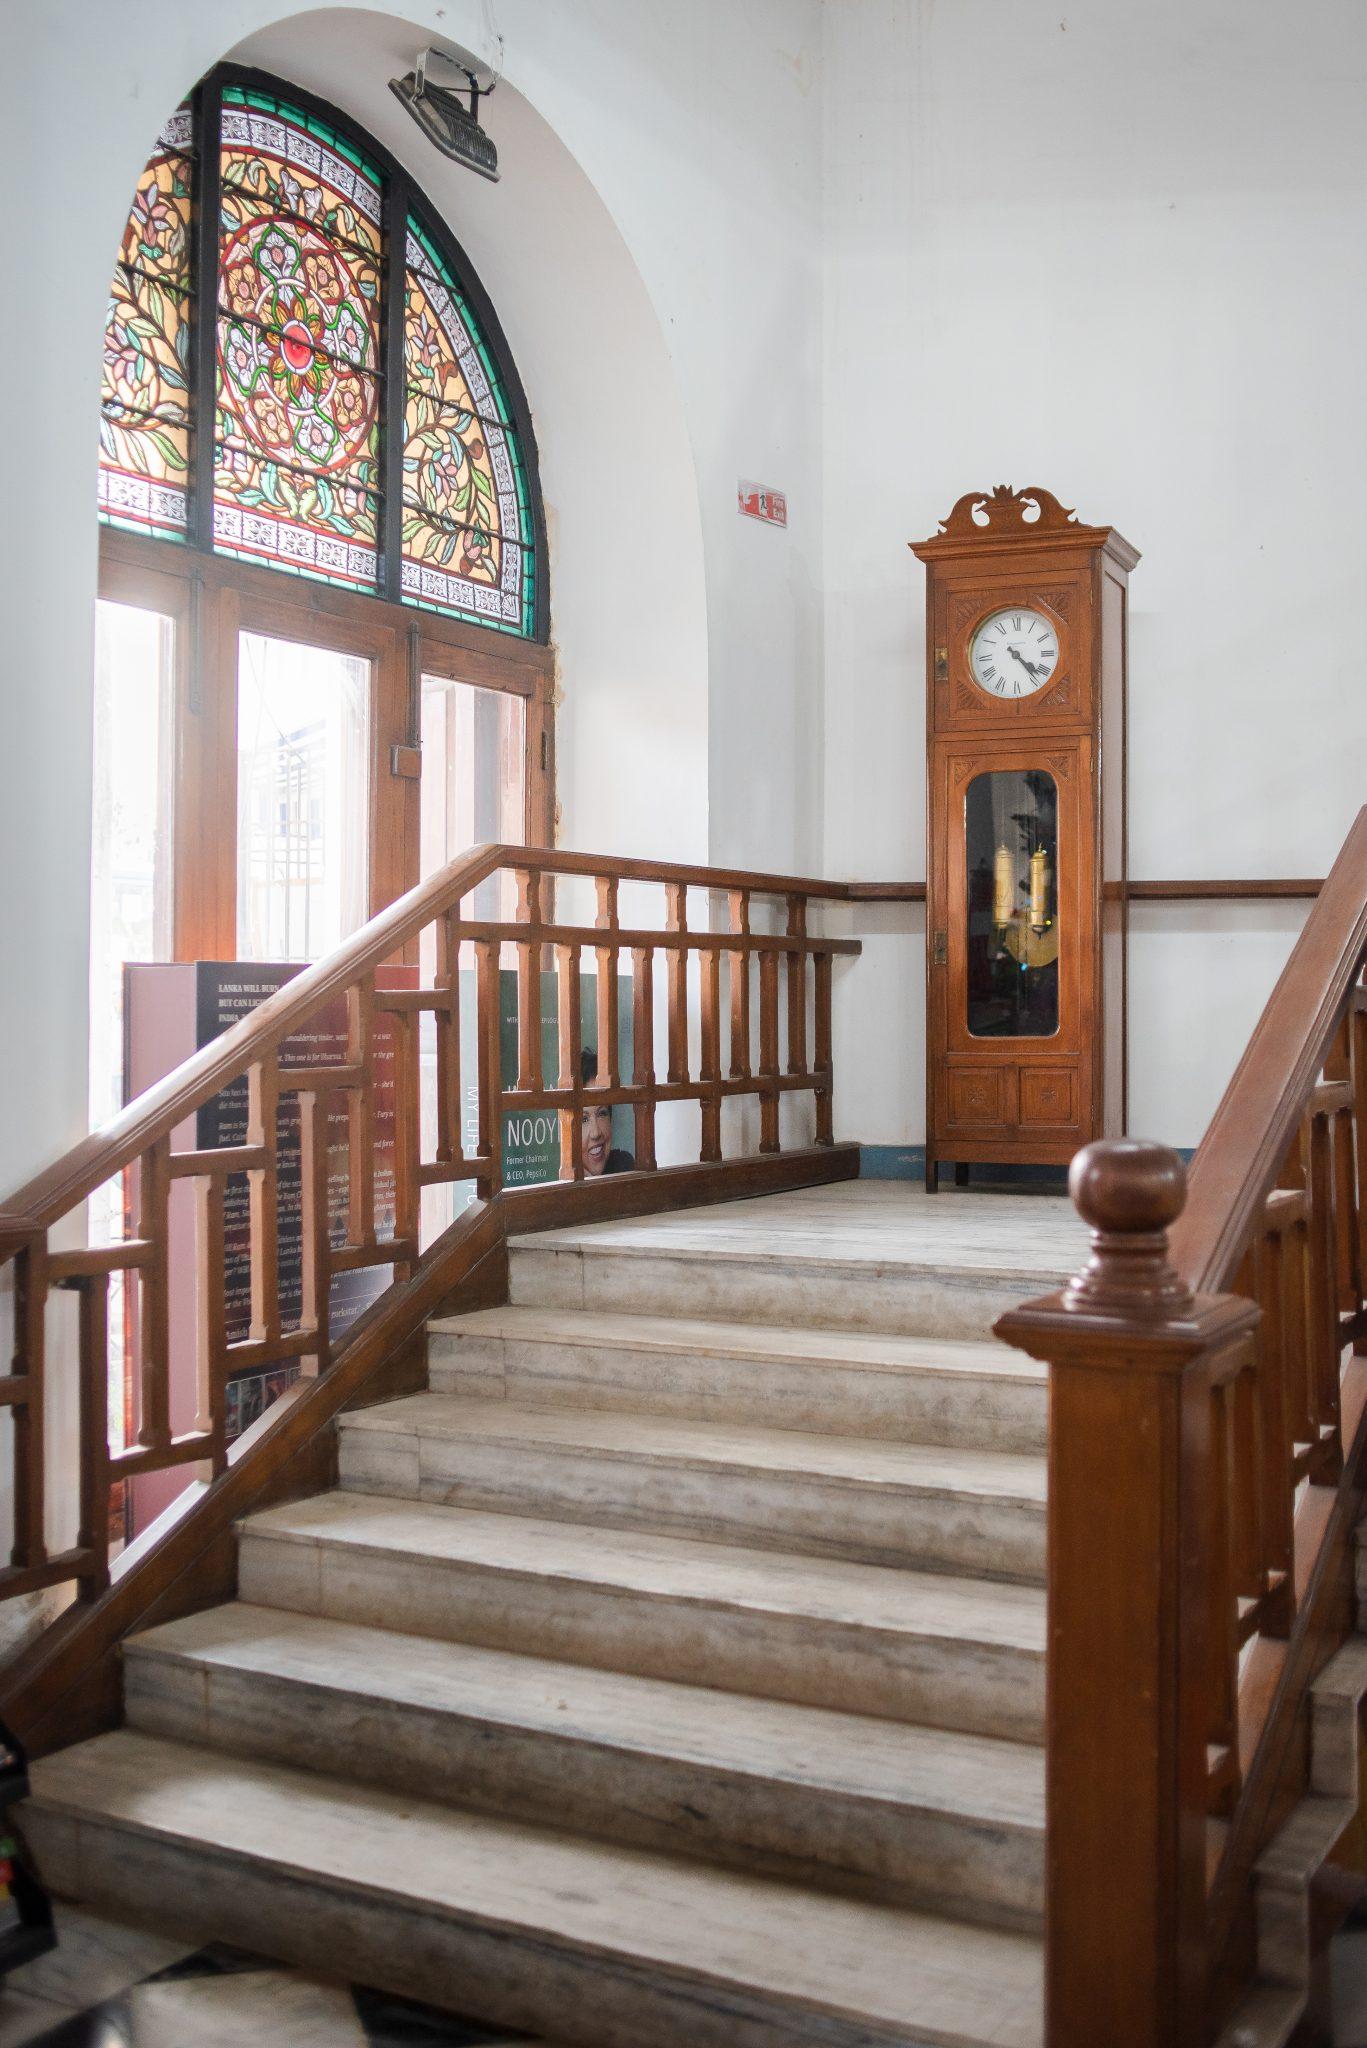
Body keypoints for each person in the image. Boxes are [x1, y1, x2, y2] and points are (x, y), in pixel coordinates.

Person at [580, 1049, 635, 1175]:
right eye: (583, 1119)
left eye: (601, 1113)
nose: (596, 1133)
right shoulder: (557, 1186)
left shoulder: (623, 1166)